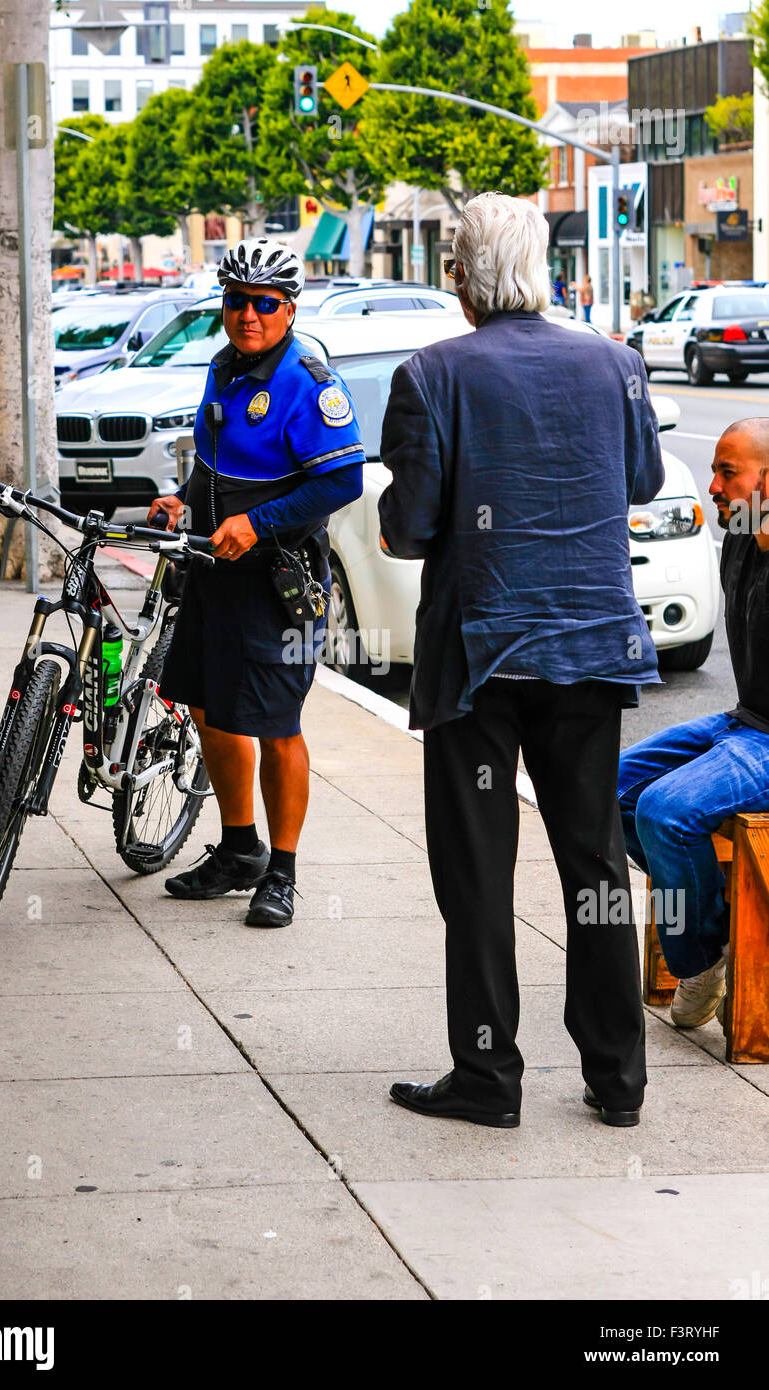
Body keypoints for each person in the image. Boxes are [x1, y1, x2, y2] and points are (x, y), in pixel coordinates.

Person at [378, 192, 664, 1129]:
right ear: (542, 268)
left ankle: (489, 1079)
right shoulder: (616, 363)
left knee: (479, 876)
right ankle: (618, 1081)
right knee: (596, 868)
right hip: (591, 648)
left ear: (461, 277)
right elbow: (641, 480)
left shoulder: (432, 374)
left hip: (481, 658)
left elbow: (410, 531)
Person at [147, 238, 365, 927]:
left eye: (264, 303)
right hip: (212, 572)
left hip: (279, 583)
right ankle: (238, 850)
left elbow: (342, 479)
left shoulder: (308, 379)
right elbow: (215, 464)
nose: (248, 315)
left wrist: (260, 523)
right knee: (209, 709)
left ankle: (282, 872)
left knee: (275, 725)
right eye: (236, 301)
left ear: (289, 308)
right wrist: (182, 498)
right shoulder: (224, 367)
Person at [618, 419, 769, 1028]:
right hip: (746, 721)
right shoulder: (736, 535)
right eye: (714, 470)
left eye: (728, 473)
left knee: (665, 812)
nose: (713, 486)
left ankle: (701, 960)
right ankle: (715, 917)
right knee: (610, 790)